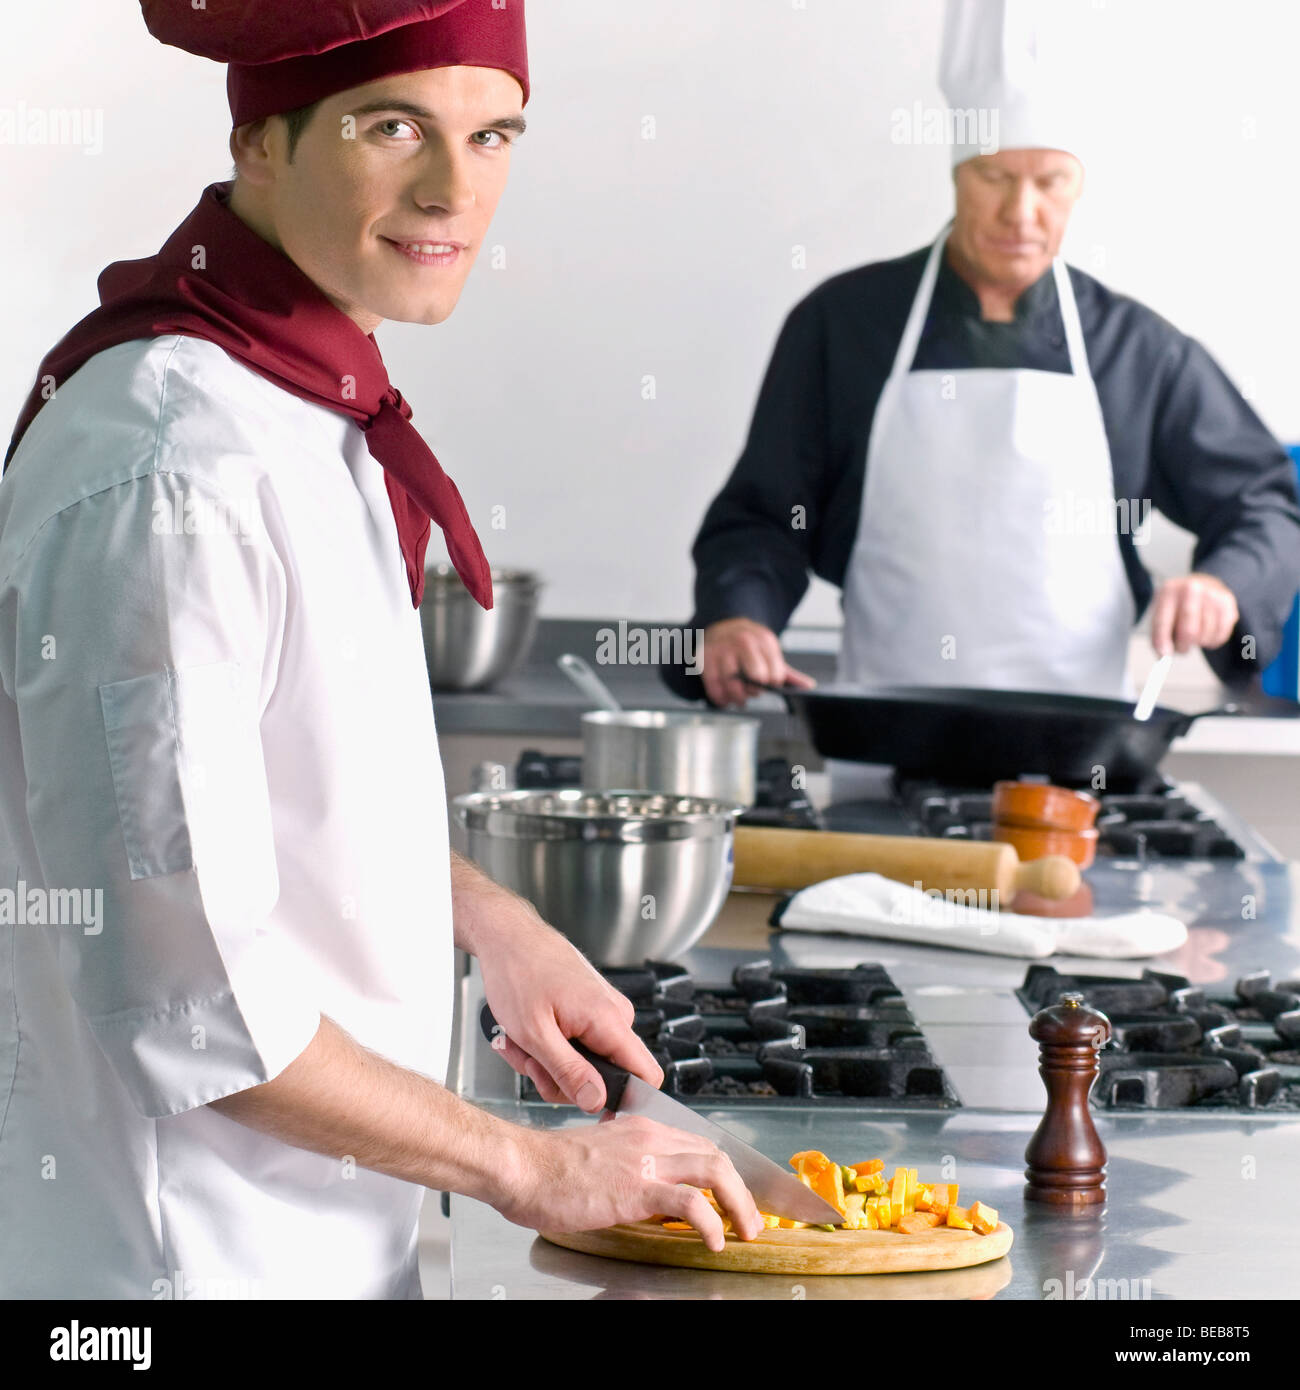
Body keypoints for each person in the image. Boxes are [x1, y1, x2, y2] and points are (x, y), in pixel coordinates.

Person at [0, 0, 760, 1299]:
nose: (454, 188)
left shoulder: (305, 402)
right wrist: (529, 1165)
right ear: (261, 141)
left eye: (494, 134)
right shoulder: (174, 472)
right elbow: (192, 996)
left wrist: (492, 921)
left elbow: (284, 796)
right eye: (393, 125)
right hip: (183, 1266)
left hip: (321, 1243)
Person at [661, 0, 1300, 799]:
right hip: (883, 763)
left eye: (1051, 182)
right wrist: (739, 615)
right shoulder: (844, 325)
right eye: (994, 177)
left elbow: (1263, 502)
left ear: (1079, 184)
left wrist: (1223, 584)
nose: (1020, 213)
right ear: (956, 172)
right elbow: (765, 516)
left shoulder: (1139, 351)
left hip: (1078, 776)